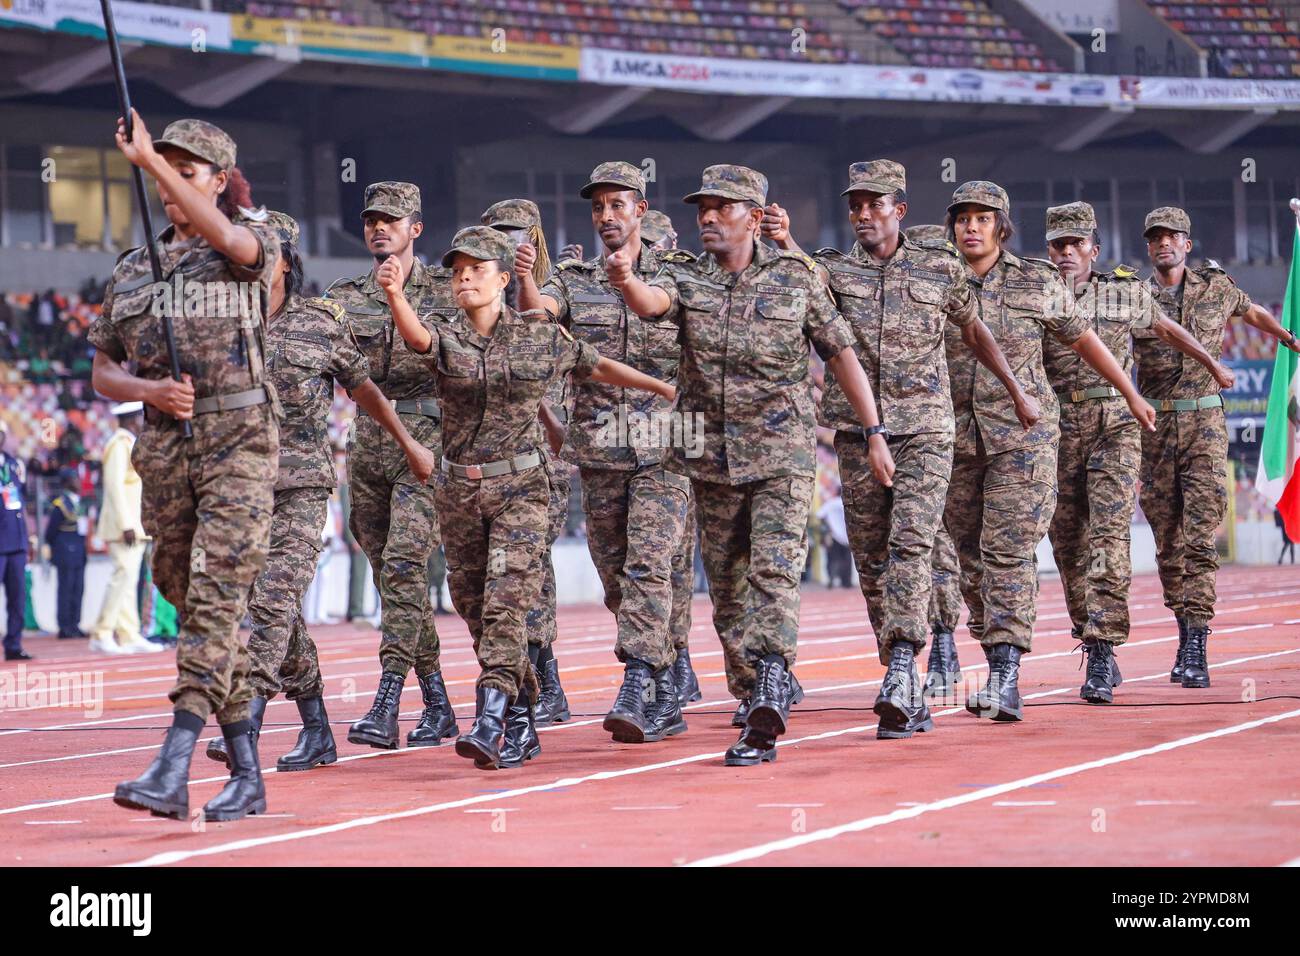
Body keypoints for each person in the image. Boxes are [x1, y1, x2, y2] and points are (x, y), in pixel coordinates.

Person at [612, 164, 891, 766]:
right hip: (709, 460)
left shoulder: (797, 278)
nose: (707, 218)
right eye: (702, 208)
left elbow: (840, 353)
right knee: (729, 590)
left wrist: (873, 431)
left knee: (773, 572)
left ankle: (769, 685)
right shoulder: (687, 277)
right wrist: (626, 278)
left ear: (755, 217)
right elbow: (653, 303)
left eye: (722, 207)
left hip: (781, 457)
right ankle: (756, 686)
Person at [384, 225, 674, 768]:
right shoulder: (445, 335)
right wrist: (397, 296)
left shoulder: (539, 336)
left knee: (506, 605)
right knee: (472, 608)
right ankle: (522, 713)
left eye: (476, 268)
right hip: (459, 492)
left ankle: (492, 716)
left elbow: (595, 364)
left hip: (521, 488)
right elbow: (417, 340)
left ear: (501, 279)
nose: (464, 277)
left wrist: (658, 388)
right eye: (457, 270)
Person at [764, 160, 1036, 740]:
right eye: (855, 205)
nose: (864, 214)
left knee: (912, 545)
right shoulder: (833, 273)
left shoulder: (939, 269)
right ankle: (905, 679)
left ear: (899, 210)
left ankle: (901, 670)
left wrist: (1016, 390)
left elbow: (974, 331)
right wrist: (784, 236)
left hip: (928, 431)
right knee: (874, 560)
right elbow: (799, 282)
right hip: (859, 436)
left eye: (875, 204)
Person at [91, 113, 280, 821]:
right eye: (165, 169)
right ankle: (249, 775)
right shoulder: (135, 268)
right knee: (184, 589)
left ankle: (174, 759)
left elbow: (235, 241)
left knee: (213, 595)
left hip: (240, 438)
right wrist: (150, 391)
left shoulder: (252, 241)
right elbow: (103, 368)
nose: (171, 185)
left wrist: (149, 163)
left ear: (220, 180)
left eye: (187, 171)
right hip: (166, 446)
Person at [205, 211, 438, 773]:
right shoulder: (223, 323)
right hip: (241, 489)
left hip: (303, 487)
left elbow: (366, 391)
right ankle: (316, 728)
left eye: (261, 252)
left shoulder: (320, 321)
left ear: (285, 260)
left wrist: (409, 444)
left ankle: (244, 728)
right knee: (278, 614)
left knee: (271, 602)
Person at [942, 181, 1155, 723]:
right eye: (962, 217)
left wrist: (1131, 394)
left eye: (983, 218)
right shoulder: (934, 278)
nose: (971, 226)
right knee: (970, 557)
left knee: (1010, 552)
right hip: (957, 441)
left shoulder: (1037, 282)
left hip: (1025, 438)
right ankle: (993, 651)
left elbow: (1084, 339)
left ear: (1001, 227)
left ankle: (1008, 674)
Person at [513, 161, 699, 743]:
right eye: (598, 207)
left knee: (649, 563)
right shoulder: (574, 280)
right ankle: (666, 679)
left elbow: (668, 312)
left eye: (618, 205)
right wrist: (522, 280)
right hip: (600, 451)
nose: (607, 216)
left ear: (641, 210)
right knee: (617, 576)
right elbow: (538, 315)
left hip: (667, 447)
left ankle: (640, 679)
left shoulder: (681, 277)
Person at [1042, 201, 1235, 702]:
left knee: (1108, 535)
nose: (1067, 253)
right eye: (1058, 244)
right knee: (1068, 544)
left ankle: (1105, 653)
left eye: (1076, 244)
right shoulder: (1033, 293)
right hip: (1056, 430)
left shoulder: (1122, 294)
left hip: (1115, 425)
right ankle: (1090, 633)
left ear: (1094, 250)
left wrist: (1211, 363)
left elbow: (1167, 330)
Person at [1137, 206, 1299, 687]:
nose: (1164, 243)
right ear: (1148, 247)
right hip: (1156, 426)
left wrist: (1287, 338)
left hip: (1205, 419)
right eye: (1155, 237)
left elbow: (1252, 311)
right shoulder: (1131, 296)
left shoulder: (1216, 285)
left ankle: (1196, 642)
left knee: (1199, 536)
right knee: (1167, 540)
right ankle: (1182, 623)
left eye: (1173, 236)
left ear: (1188, 243)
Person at [325, 182, 457, 750]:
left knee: (404, 567)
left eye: (392, 220)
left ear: (416, 229)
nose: (380, 228)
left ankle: (386, 701)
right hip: (369, 446)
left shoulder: (447, 292)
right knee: (389, 576)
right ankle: (439, 703)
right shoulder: (343, 296)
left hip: (427, 442)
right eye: (371, 220)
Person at [480, 198, 573, 723]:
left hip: (544, 449)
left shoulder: (555, 287)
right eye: (497, 232)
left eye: (516, 232)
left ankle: (538, 670)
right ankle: (540, 673)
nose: (507, 241)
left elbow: (543, 330)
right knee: (506, 567)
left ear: (534, 238)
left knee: (529, 556)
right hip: (491, 454)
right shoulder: (477, 291)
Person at [90, 401, 158, 654]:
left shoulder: (129, 443)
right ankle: (102, 632)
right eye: (141, 417)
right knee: (122, 579)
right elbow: (114, 486)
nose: (144, 421)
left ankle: (129, 634)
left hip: (134, 525)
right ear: (132, 419)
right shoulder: (119, 444)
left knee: (129, 582)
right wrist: (127, 524)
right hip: (123, 526)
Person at [44, 468, 87, 640]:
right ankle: (65, 626)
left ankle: (75, 624)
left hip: (79, 552)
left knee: (78, 589)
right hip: (65, 552)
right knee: (66, 590)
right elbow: (50, 533)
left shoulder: (79, 503)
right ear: (67, 483)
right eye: (74, 478)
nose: (78, 482)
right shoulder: (60, 505)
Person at [1, 425, 32, 661]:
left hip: (16, 542)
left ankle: (13, 644)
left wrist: (27, 541)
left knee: (18, 597)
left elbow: (22, 502)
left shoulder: (14, 464)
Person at [816, 486, 852, 588]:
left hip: (834, 535)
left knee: (833, 558)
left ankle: (831, 578)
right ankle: (846, 582)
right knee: (847, 559)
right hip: (847, 536)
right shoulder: (847, 503)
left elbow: (819, 515)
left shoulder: (830, 503)